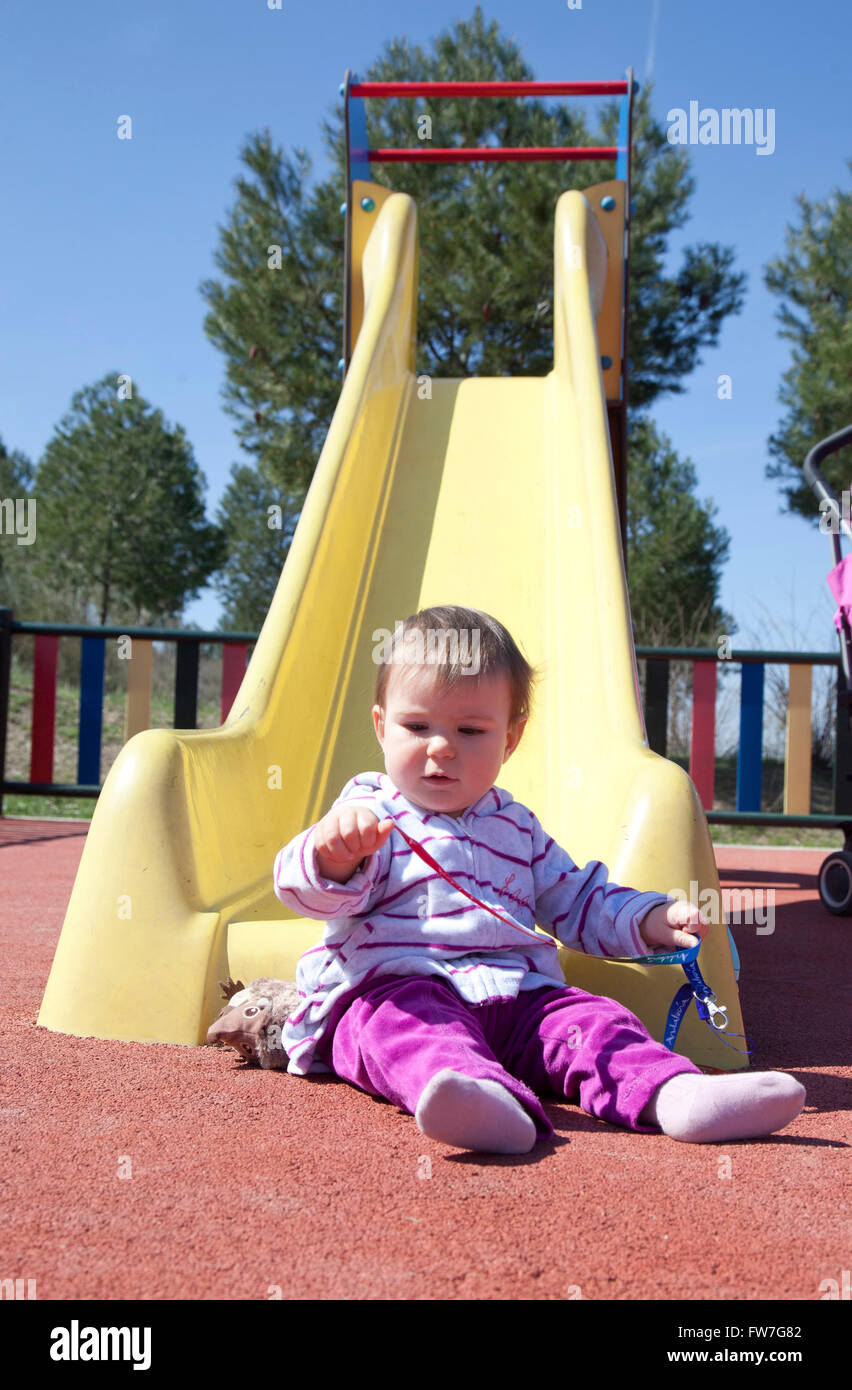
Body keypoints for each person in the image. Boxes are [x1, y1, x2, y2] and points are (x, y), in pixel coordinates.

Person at [272, 606, 806, 1154]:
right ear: (383, 726)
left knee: (595, 1022)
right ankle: (474, 1099)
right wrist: (333, 856)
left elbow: (576, 897)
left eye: (470, 730)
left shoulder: (516, 825)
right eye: (417, 726)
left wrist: (648, 917)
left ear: (510, 737)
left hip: (520, 997)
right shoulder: (369, 811)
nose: (441, 747)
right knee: (402, 1031)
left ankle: (677, 1094)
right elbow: (302, 889)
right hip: (403, 986)